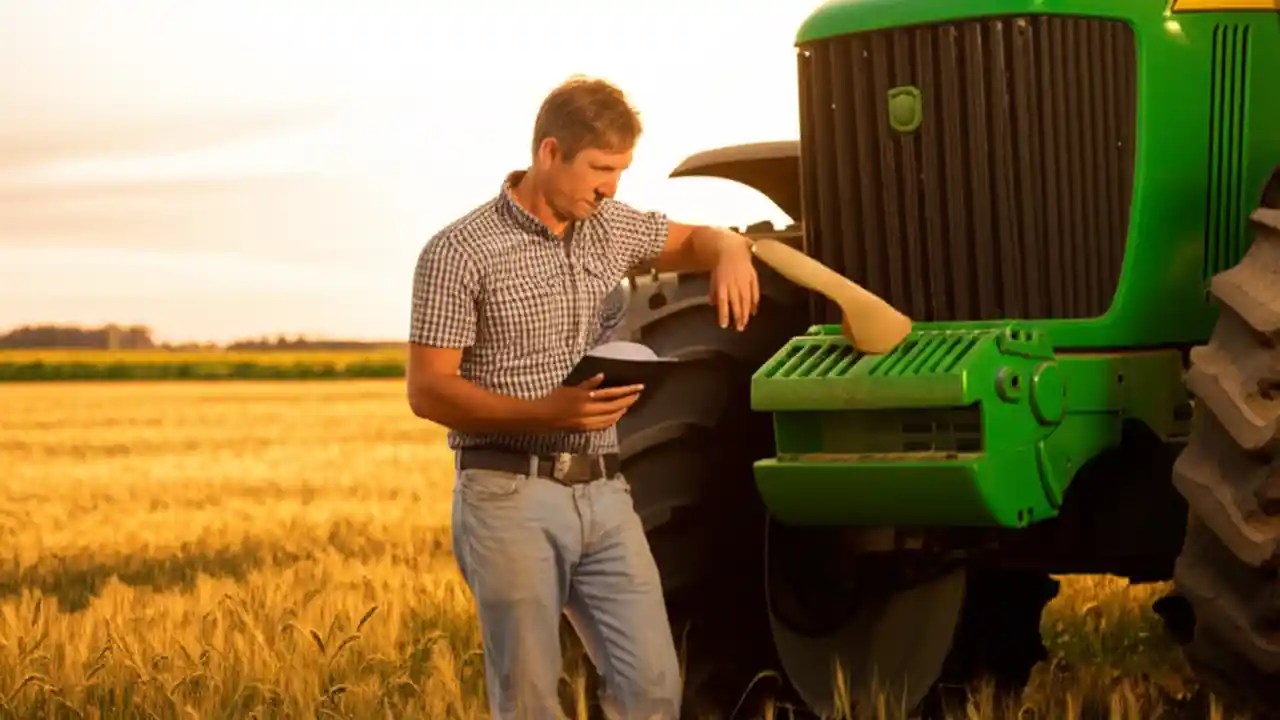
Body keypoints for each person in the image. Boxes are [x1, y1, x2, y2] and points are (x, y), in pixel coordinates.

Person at [405, 75, 760, 720]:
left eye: (620, 170)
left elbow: (696, 239)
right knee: (531, 701)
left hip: (605, 493)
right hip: (507, 498)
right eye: (599, 169)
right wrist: (549, 414)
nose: (610, 187)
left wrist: (732, 250)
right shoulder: (457, 252)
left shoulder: (608, 227)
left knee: (652, 686)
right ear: (549, 154)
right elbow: (428, 390)